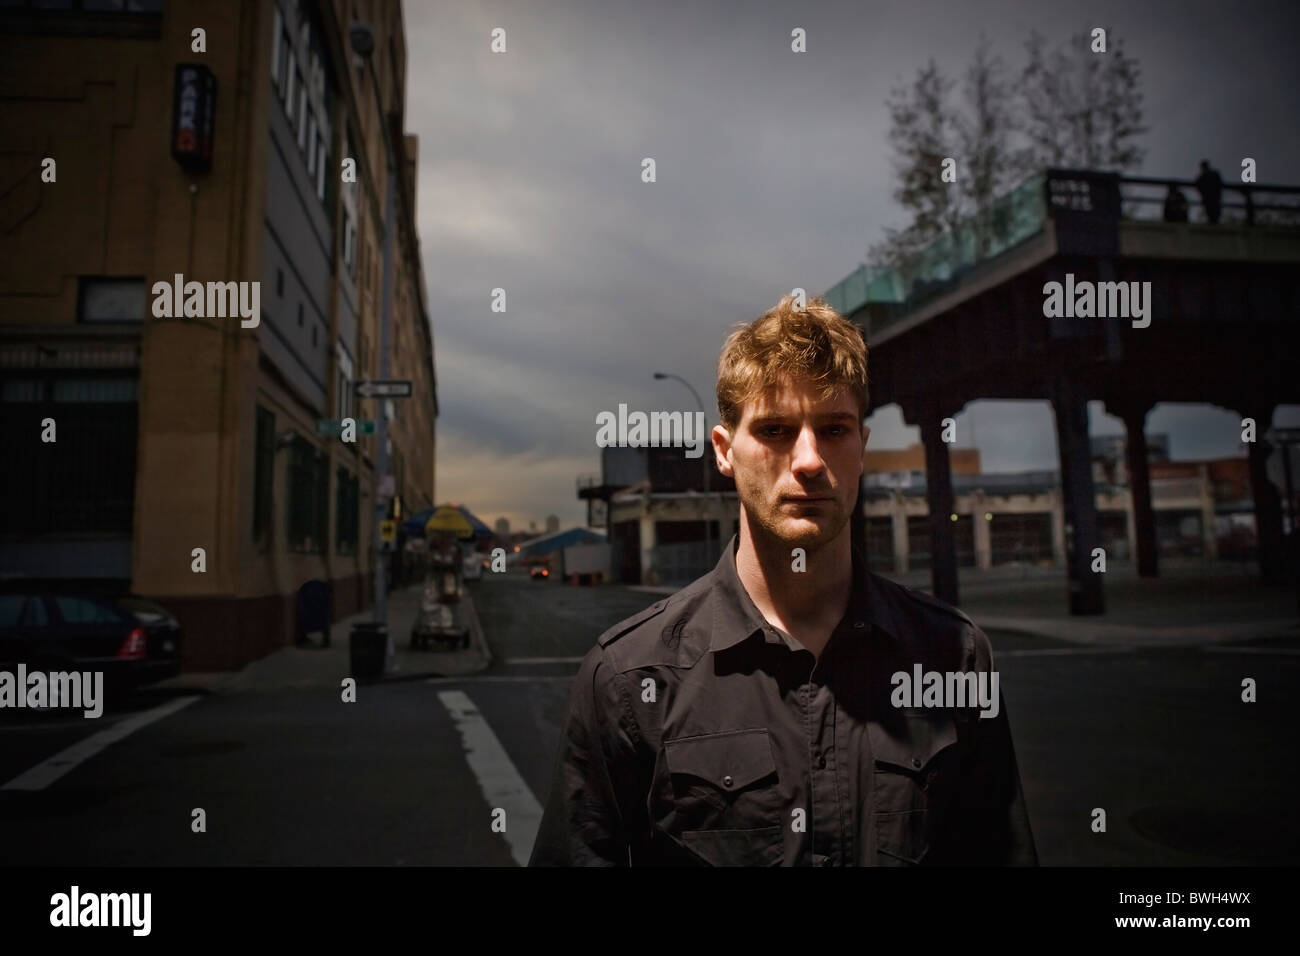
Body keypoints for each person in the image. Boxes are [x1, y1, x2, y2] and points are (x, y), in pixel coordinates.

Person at [529, 295, 1038, 866]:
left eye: (834, 429)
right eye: (774, 429)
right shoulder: (627, 678)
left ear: (862, 448)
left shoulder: (955, 656)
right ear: (724, 452)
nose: (809, 460)